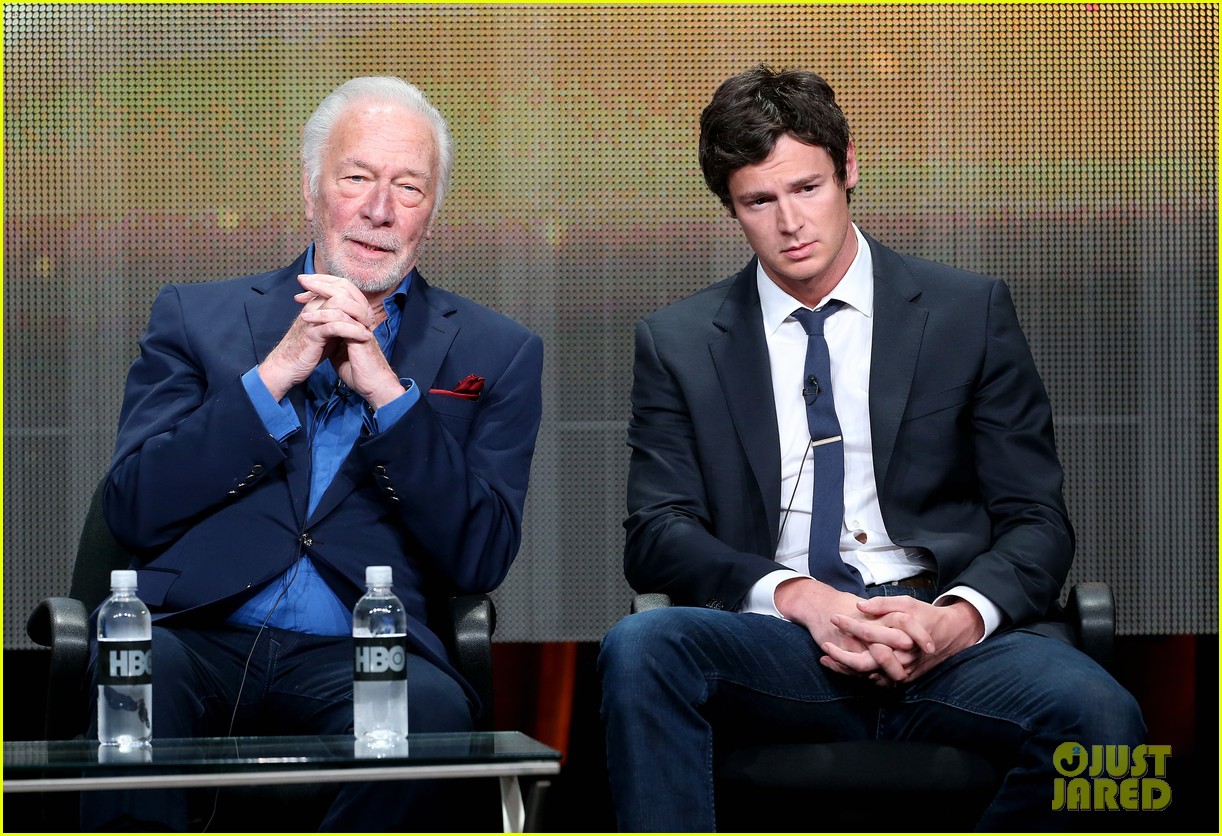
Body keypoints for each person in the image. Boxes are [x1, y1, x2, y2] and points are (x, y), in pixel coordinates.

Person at [598, 65, 1145, 832]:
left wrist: (956, 618)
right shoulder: (680, 342)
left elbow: (1037, 520)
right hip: (785, 644)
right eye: (760, 201)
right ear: (730, 207)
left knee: (1111, 729)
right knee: (643, 646)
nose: (792, 222)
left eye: (808, 188)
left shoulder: (966, 311)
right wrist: (801, 598)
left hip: (949, 638)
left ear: (848, 168)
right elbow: (657, 535)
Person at [85, 76, 543, 831]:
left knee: (431, 712)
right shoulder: (195, 316)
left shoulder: (499, 351)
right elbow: (133, 506)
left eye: (408, 187)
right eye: (357, 177)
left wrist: (390, 397)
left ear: (432, 212)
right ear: (311, 190)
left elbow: (481, 556)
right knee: (136, 677)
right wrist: (274, 376)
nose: (379, 209)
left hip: (366, 650)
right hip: (194, 633)